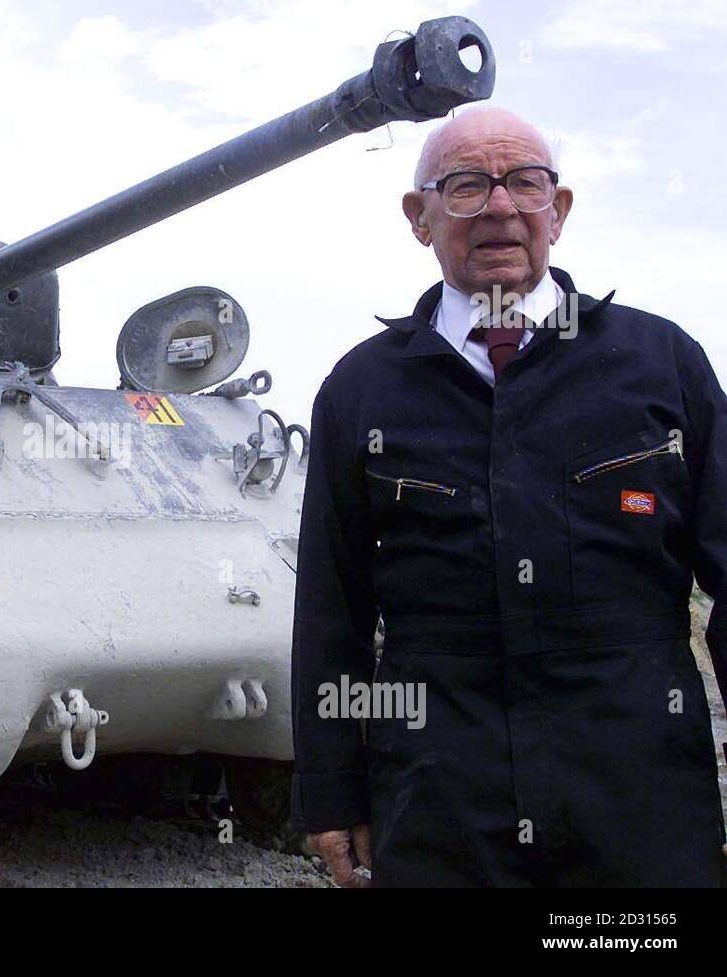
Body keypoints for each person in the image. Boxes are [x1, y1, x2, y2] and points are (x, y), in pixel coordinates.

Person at [290, 106, 726, 887]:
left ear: (556, 211)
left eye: (524, 183)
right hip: (439, 806)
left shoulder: (663, 365)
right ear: (419, 219)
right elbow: (333, 613)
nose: (498, 207)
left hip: (641, 804)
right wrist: (328, 792)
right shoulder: (360, 391)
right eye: (464, 187)